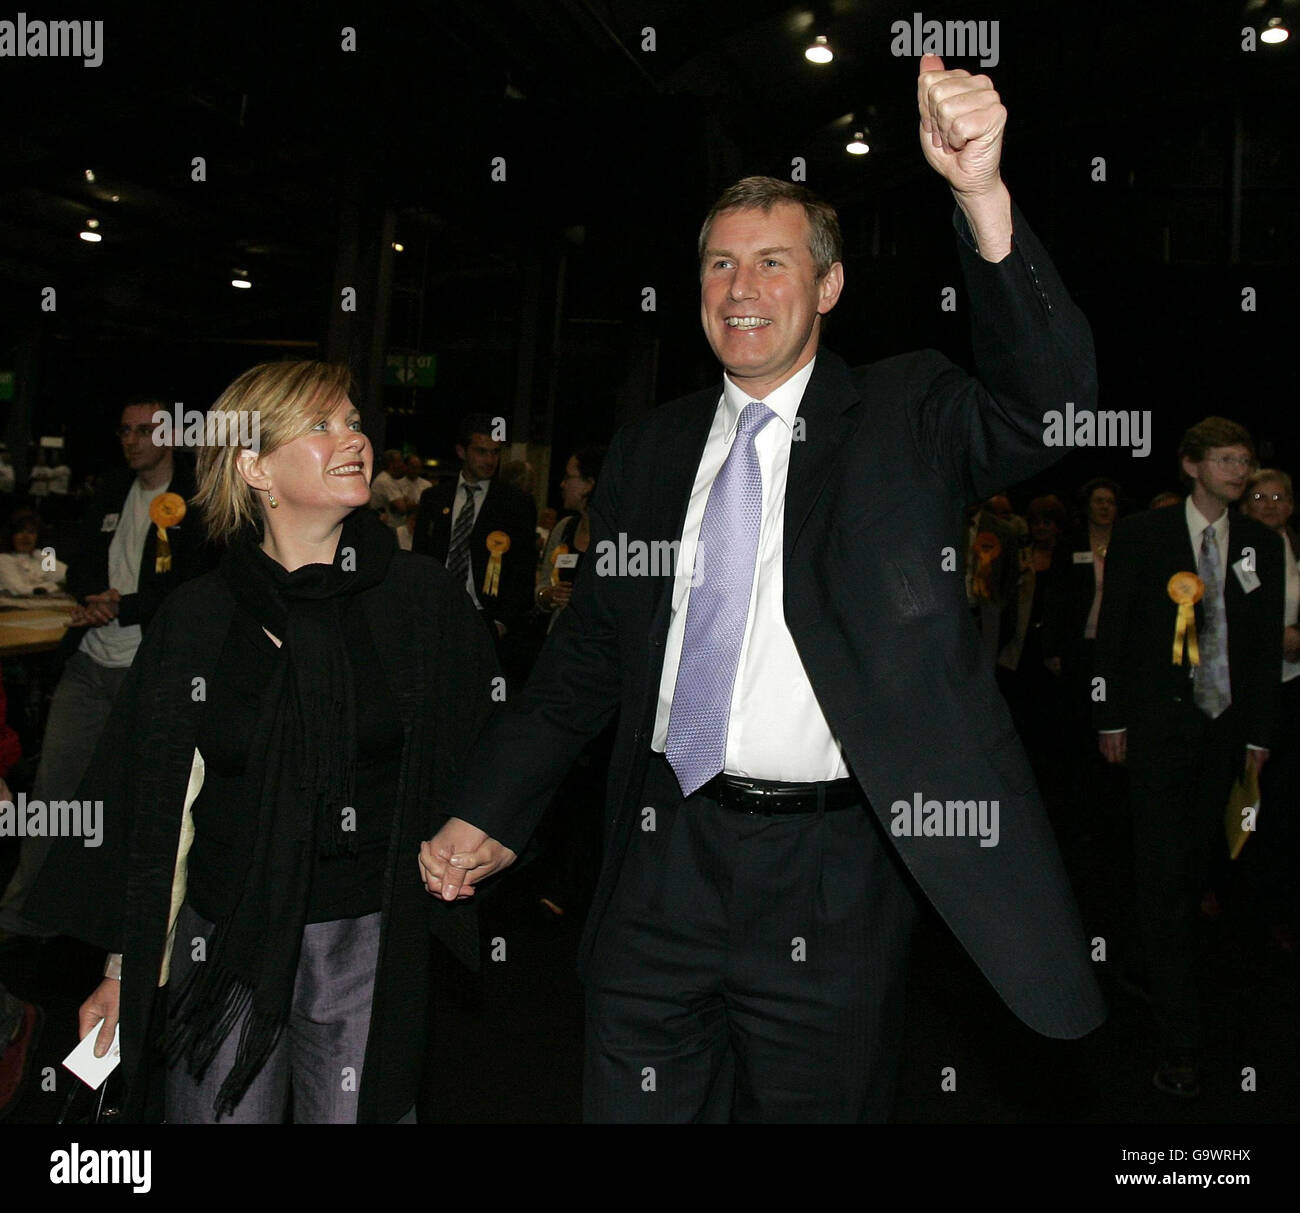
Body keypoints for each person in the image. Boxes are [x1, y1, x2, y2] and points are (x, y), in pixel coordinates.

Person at [421, 56, 1105, 1123]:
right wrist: (491, 805)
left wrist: (980, 195)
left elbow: (1049, 406)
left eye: (773, 264)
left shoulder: (906, 414)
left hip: (832, 876)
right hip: (658, 860)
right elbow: (590, 656)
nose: (741, 291)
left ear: (827, 287)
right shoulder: (649, 451)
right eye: (718, 266)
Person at [25, 362, 497, 1123]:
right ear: (253, 467)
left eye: (352, 420)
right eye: (320, 425)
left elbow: (486, 753)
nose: (354, 439)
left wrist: (480, 837)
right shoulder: (200, 619)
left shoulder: (418, 602)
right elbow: (160, 809)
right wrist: (126, 965)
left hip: (364, 946)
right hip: (223, 946)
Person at [1095, 418, 1283, 1099]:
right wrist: (1109, 714)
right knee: (1162, 871)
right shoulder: (1147, 536)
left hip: (1226, 736)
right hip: (1155, 731)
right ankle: (1180, 1038)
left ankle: (1155, 958)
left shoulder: (1260, 545)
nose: (1240, 470)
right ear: (1192, 465)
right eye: (1227, 459)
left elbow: (1262, 652)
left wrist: (1260, 737)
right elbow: (1114, 628)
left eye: (1247, 458)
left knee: (1200, 866)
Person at [0, 401, 203, 940]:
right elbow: (79, 555)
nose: (131, 440)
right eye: (124, 430)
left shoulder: (195, 499)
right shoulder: (110, 489)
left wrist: (124, 605)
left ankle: (136, 929)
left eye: (142, 431)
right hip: (90, 661)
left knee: (148, 805)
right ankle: (23, 915)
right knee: (53, 793)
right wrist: (92, 597)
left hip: (151, 673)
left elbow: (191, 587)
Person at [412, 413, 536, 680]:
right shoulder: (434, 498)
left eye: (495, 452)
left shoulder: (516, 503)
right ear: (461, 451)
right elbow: (419, 559)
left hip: (486, 619)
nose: (490, 460)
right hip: (436, 616)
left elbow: (523, 569)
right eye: (481, 451)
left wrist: (503, 622)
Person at [1239, 467, 1300, 953]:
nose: (1270, 504)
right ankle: (1226, 885)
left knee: (1282, 801)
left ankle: (1277, 903)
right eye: (1260, 496)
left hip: (1293, 691)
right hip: (1244, 691)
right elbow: (1235, 612)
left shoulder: (1296, 550)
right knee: (1241, 794)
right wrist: (1270, 639)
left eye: (1279, 496)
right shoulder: (1238, 551)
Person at [0, 508, 68, 596]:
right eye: (20, 531)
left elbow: (67, 576)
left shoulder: (39, 556)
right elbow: (19, 590)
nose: (26, 536)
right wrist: (53, 586)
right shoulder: (4, 559)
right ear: (11, 535)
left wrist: (40, 555)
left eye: (31, 532)